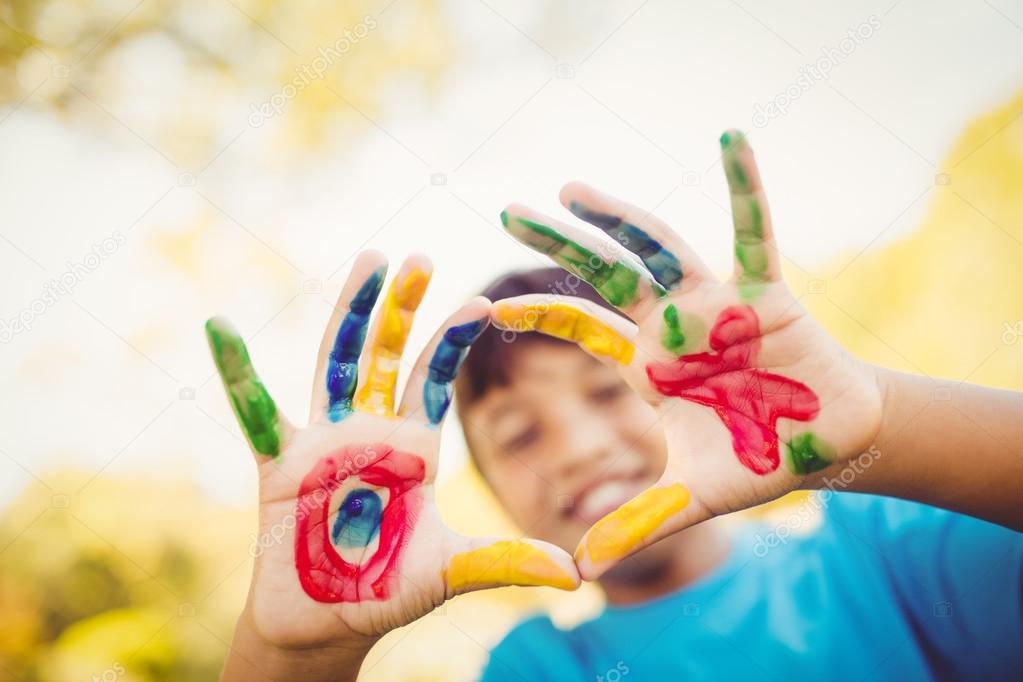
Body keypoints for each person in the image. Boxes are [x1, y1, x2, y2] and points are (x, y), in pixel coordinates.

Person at [213, 132, 1023, 681]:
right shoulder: (538, 670)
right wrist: (295, 657)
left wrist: (881, 424)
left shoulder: (874, 557)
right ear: (489, 488)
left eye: (606, 390)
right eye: (520, 433)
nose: (577, 448)